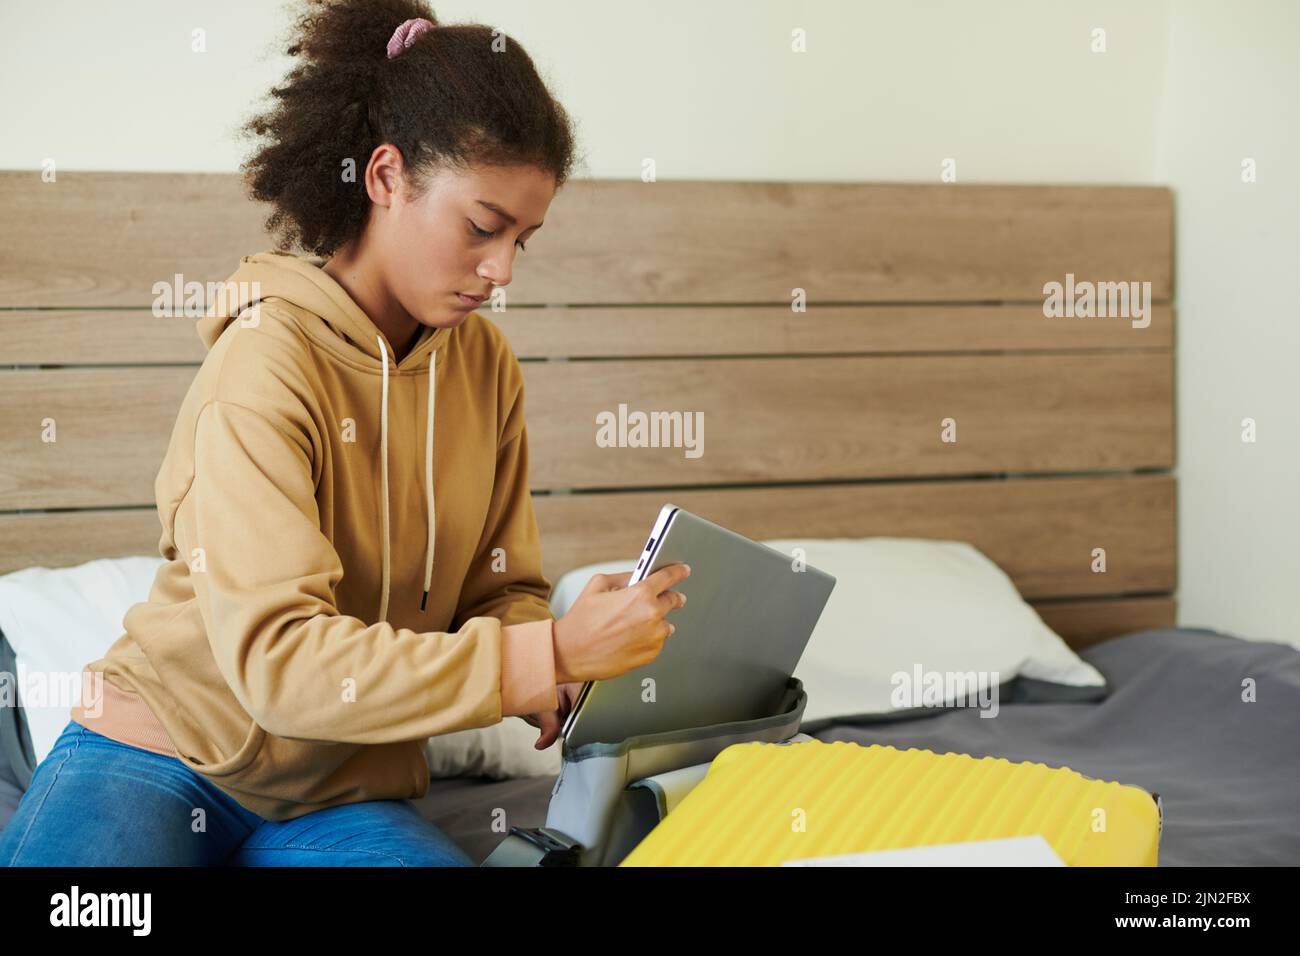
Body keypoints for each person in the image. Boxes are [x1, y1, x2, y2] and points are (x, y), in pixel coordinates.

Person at [0, 0, 689, 867]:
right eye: (482, 226)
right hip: (161, 754)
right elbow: (283, 665)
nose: (502, 269)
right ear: (386, 177)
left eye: (524, 238)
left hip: (343, 794)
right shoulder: (263, 364)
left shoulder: (485, 369)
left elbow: (498, 589)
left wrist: (554, 670)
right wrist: (535, 652)